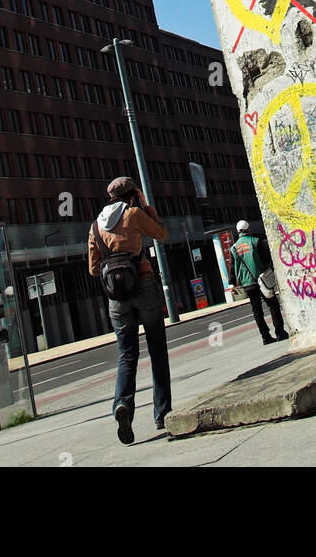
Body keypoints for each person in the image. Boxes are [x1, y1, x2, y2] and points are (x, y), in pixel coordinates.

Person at [88, 175, 172, 445]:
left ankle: (122, 404)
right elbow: (162, 233)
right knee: (157, 349)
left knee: (126, 355)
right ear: (133, 193)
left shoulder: (95, 226)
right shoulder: (134, 214)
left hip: (117, 298)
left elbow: (92, 269)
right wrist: (146, 206)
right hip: (144, 285)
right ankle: (162, 414)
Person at [227, 220, 289, 346]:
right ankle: (280, 332)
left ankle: (265, 337)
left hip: (247, 285)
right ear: (248, 229)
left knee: (257, 311)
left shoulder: (233, 248)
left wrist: (231, 283)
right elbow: (267, 258)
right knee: (273, 305)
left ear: (238, 232)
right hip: (262, 281)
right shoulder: (256, 241)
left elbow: (232, 267)